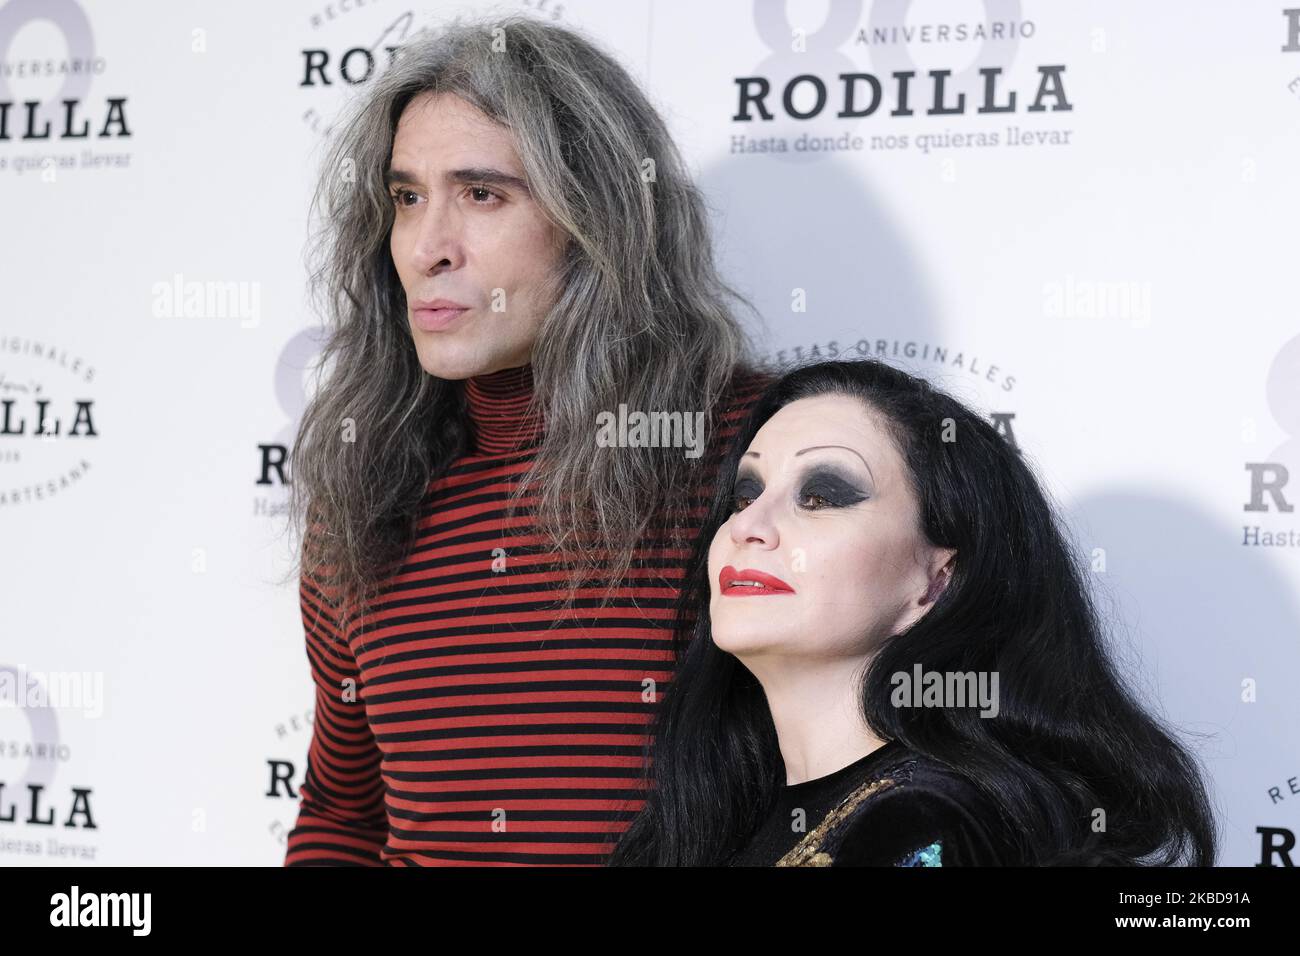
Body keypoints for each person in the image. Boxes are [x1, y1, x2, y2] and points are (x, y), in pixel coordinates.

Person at [280, 13, 774, 865]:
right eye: (406, 198)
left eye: (482, 194)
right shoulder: (363, 492)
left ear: (600, 219)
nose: (428, 248)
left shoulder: (755, 457)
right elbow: (341, 814)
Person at [609, 358, 1219, 866]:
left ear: (936, 580)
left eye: (820, 497)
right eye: (746, 494)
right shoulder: (705, 820)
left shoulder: (923, 824)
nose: (748, 526)